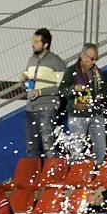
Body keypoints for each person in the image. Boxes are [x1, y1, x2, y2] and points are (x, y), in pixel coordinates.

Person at [60, 43, 107, 165]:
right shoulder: (71, 71)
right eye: (92, 58)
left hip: (96, 114)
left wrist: (101, 96)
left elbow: (103, 89)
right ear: (83, 56)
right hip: (77, 116)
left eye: (96, 59)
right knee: (78, 150)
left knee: (101, 147)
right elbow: (62, 89)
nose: (94, 62)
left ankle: (97, 172)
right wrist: (74, 89)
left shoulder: (97, 72)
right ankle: (77, 175)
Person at [22, 28, 67, 157]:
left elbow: (63, 87)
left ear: (45, 44)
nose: (33, 44)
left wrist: (41, 91)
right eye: (33, 41)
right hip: (30, 108)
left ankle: (51, 175)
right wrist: (23, 80)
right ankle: (34, 175)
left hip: (48, 107)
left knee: (49, 146)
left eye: (36, 41)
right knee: (31, 147)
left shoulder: (56, 62)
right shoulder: (31, 60)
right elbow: (27, 85)